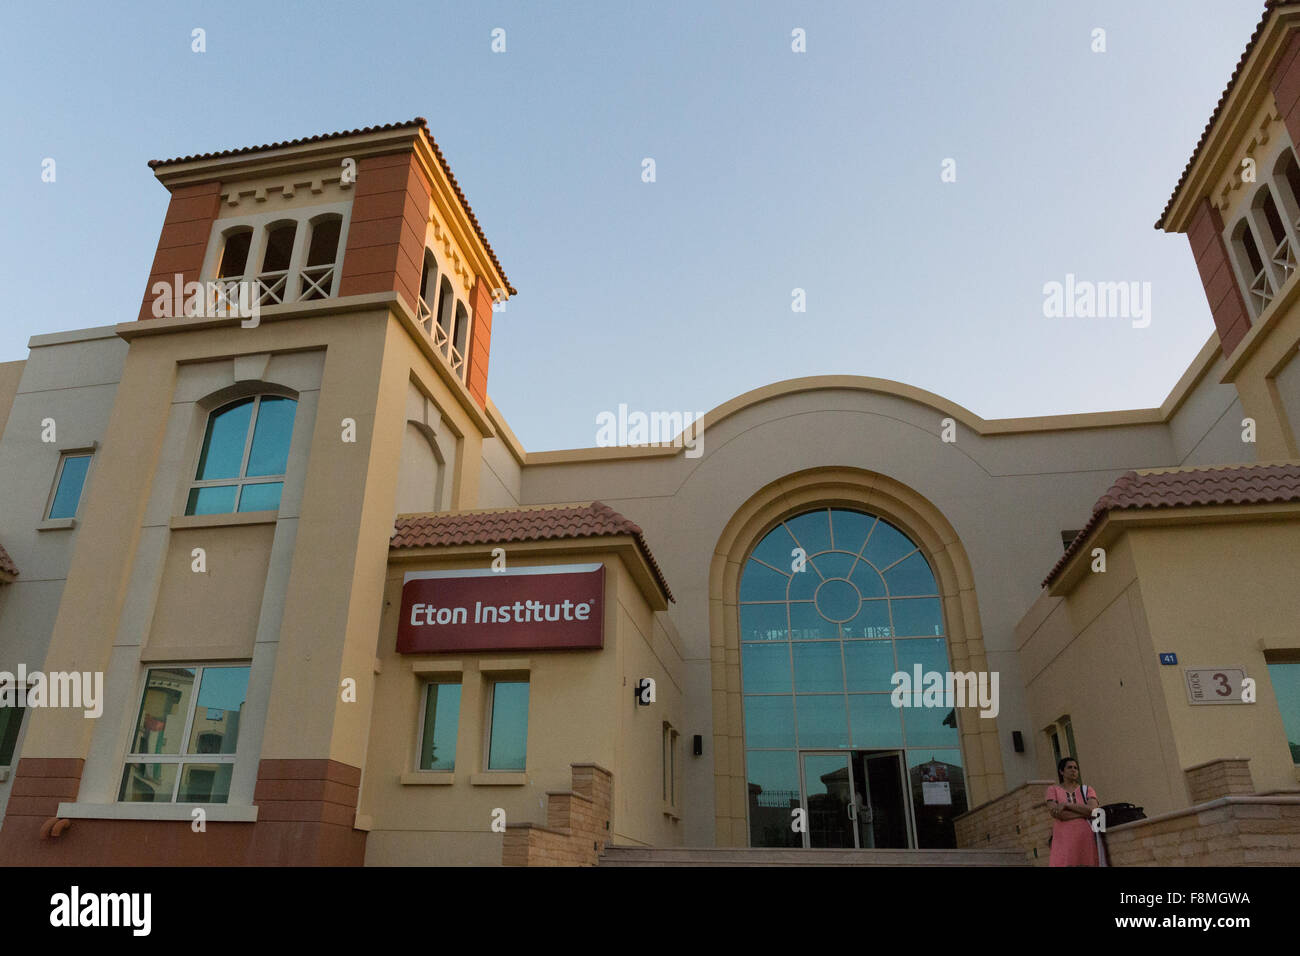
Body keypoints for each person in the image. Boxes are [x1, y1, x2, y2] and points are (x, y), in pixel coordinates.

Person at [1045, 756, 1099, 867]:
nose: (1073, 770)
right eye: (1069, 767)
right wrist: (1084, 812)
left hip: (1085, 837)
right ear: (1061, 771)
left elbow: (1093, 810)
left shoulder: (1087, 790)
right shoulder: (1053, 790)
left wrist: (1066, 804)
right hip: (1063, 838)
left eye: (1075, 768)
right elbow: (1058, 814)